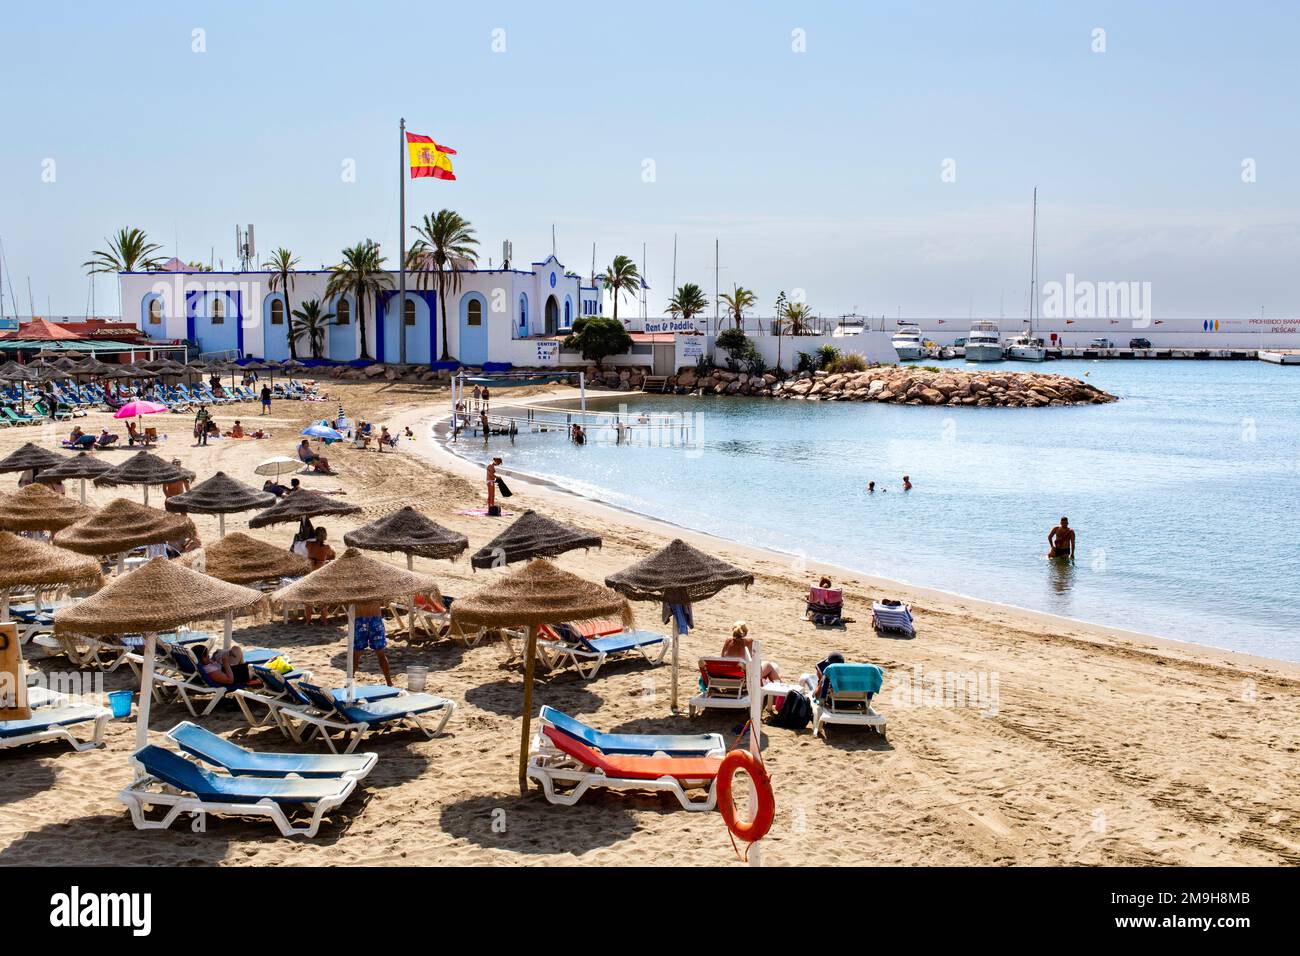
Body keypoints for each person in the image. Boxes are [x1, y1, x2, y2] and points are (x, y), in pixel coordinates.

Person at [352, 600, 393, 686]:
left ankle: (389, 682)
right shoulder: (376, 588)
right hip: (372, 619)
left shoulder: (355, 589)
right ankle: (389, 683)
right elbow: (385, 602)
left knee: (357, 653)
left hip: (363, 619)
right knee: (378, 653)